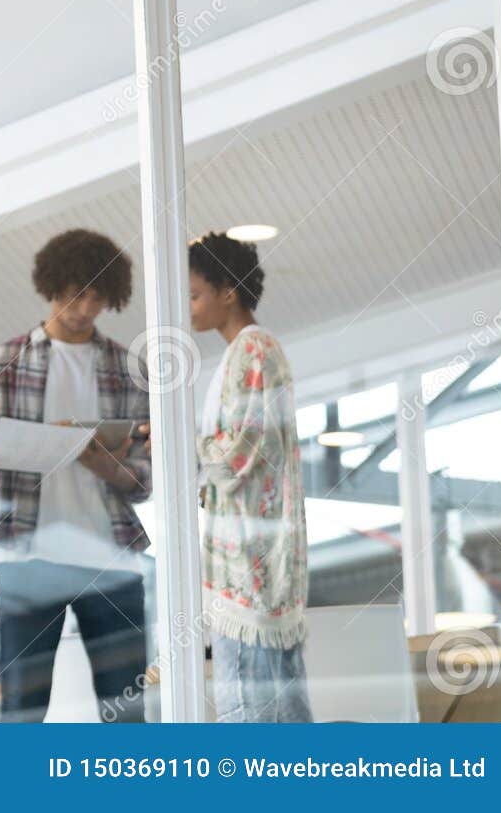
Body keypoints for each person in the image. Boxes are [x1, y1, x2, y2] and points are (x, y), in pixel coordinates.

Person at [0, 228, 152, 723]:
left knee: (126, 713)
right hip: (29, 557)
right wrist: (41, 444)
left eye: (97, 298)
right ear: (52, 286)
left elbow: (145, 480)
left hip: (110, 557)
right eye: (75, 294)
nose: (85, 308)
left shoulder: (128, 369)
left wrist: (96, 459)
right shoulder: (4, 362)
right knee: (22, 713)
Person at [189, 231, 310, 722]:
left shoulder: (253, 349)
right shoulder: (244, 352)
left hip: (248, 569)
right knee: (279, 712)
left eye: (195, 295)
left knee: (250, 715)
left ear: (227, 292)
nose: (189, 308)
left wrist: (183, 447)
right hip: (253, 569)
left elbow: (239, 451)